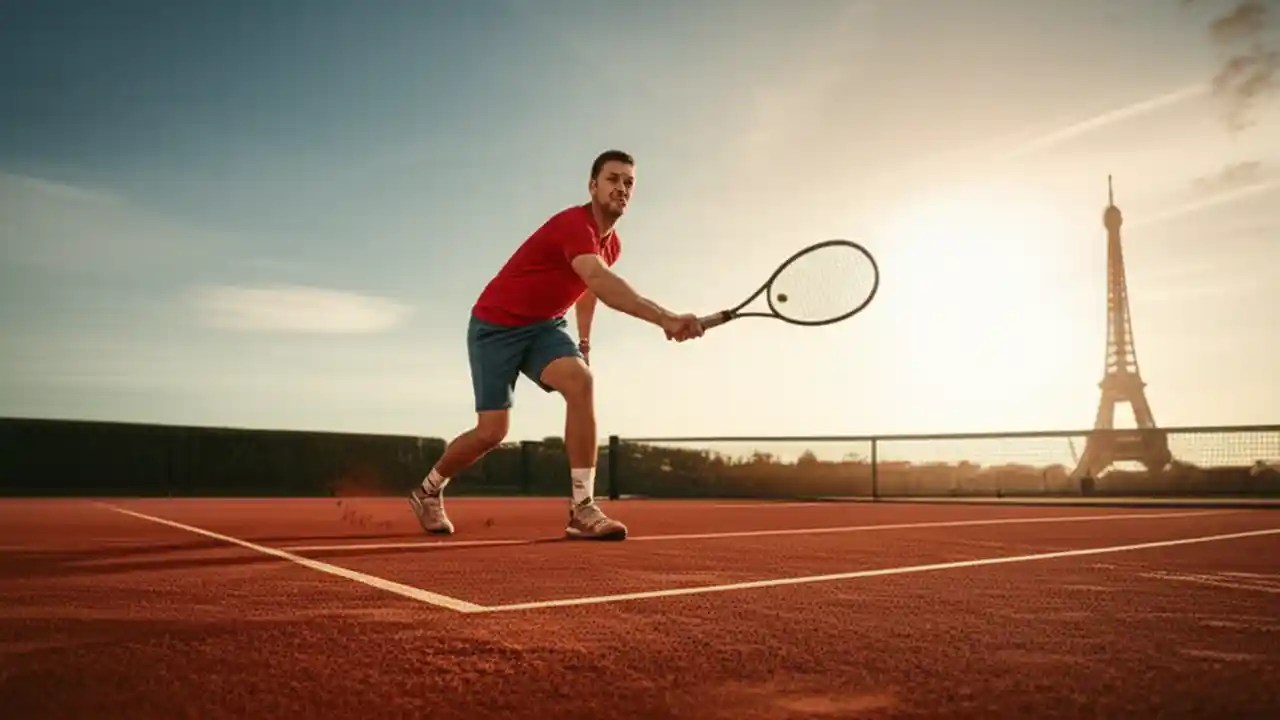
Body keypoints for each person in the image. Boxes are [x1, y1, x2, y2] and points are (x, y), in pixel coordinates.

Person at [409, 150, 704, 540]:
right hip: (495, 326)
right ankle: (428, 490)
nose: (621, 188)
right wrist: (665, 317)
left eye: (629, 182)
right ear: (593, 186)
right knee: (492, 432)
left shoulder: (611, 245)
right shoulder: (573, 224)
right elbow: (598, 280)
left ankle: (582, 508)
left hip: (544, 327)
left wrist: (584, 342)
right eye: (613, 179)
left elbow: (587, 290)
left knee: (581, 382)